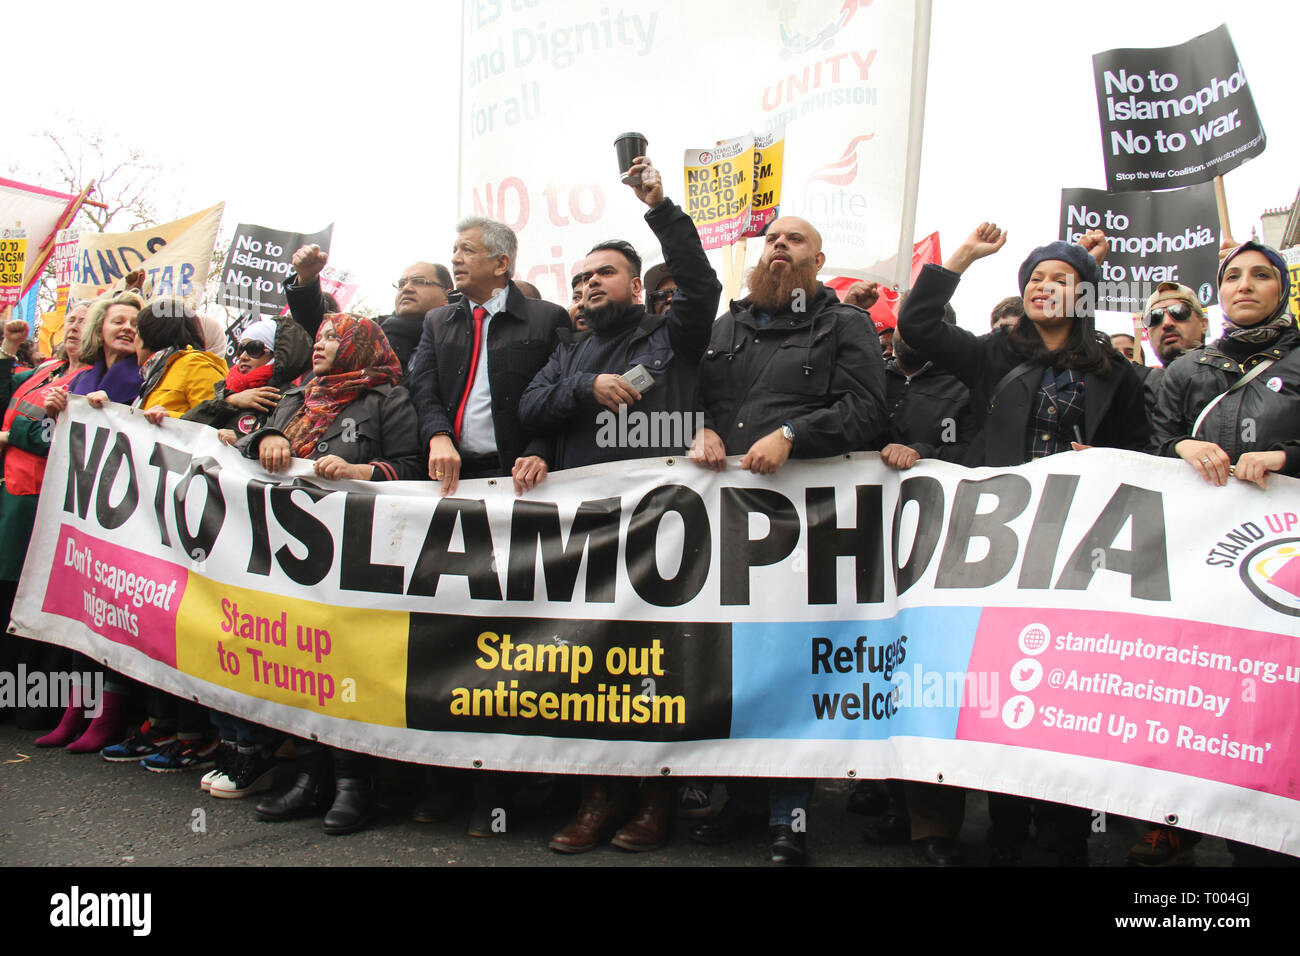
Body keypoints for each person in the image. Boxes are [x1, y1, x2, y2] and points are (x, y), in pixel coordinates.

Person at [899, 222, 1148, 866]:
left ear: (1085, 297)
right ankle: (1005, 828)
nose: (1042, 288)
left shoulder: (1117, 372)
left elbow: (1144, 454)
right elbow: (919, 324)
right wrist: (962, 258)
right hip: (1001, 548)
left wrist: (1108, 458)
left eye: (1060, 279)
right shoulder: (992, 353)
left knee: (1064, 688)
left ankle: (1064, 832)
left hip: (1076, 549)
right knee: (1003, 679)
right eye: (1034, 278)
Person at [517, 155, 721, 854]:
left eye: (602, 273)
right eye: (578, 278)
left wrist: (660, 206)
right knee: (589, 665)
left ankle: (656, 801)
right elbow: (530, 406)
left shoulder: (674, 334)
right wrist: (582, 393)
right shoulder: (571, 351)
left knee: (653, 667)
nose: (587, 284)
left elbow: (700, 281)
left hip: (660, 531)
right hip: (586, 531)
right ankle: (596, 799)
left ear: (635, 285)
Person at [687, 214, 887, 865]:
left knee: (785, 665)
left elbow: (866, 412)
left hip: (802, 528)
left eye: (793, 240)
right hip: (726, 525)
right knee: (727, 663)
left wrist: (795, 435)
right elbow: (700, 400)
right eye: (772, 239)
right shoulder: (728, 326)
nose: (779, 246)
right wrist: (703, 430)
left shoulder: (845, 324)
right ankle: (743, 802)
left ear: (817, 259)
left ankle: (789, 816)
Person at [243, 313, 423, 833]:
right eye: (318, 337)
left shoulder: (388, 397)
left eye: (332, 338)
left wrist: (362, 473)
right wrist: (266, 439)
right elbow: (243, 448)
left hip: (354, 559)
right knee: (299, 663)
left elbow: (412, 467)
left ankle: (355, 783)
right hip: (292, 561)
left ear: (358, 347)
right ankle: (310, 775)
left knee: (347, 666)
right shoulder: (297, 396)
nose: (320, 345)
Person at [0, 306, 92, 733]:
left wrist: (9, 434)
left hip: (39, 502)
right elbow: (5, 398)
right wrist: (9, 348)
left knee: (24, 599)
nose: (74, 326)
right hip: (11, 494)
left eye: (84, 321)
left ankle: (30, 705)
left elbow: (53, 439)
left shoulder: (90, 380)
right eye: (71, 319)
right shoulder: (48, 369)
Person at [1153, 239, 1298, 489]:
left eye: (1261, 275)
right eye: (1232, 277)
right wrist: (1180, 446)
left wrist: (1285, 457)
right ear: (1221, 292)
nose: (1244, 286)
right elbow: (1153, 450)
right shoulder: (1183, 371)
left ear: (1282, 288)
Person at [287, 247, 451, 375]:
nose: (406, 288)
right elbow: (319, 327)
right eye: (402, 284)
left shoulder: (458, 339)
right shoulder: (370, 331)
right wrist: (307, 280)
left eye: (419, 281)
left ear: (447, 295)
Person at [183, 315, 314, 441]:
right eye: (241, 349)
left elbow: (284, 446)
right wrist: (228, 402)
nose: (243, 357)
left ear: (277, 355)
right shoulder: (226, 389)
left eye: (254, 349)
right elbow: (184, 429)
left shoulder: (290, 398)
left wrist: (241, 440)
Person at [1134, 282, 1209, 426]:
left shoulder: (1230, 372)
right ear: (1148, 335)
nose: (1167, 323)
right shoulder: (1136, 386)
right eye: (1154, 317)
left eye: (1179, 311)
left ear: (1203, 324)